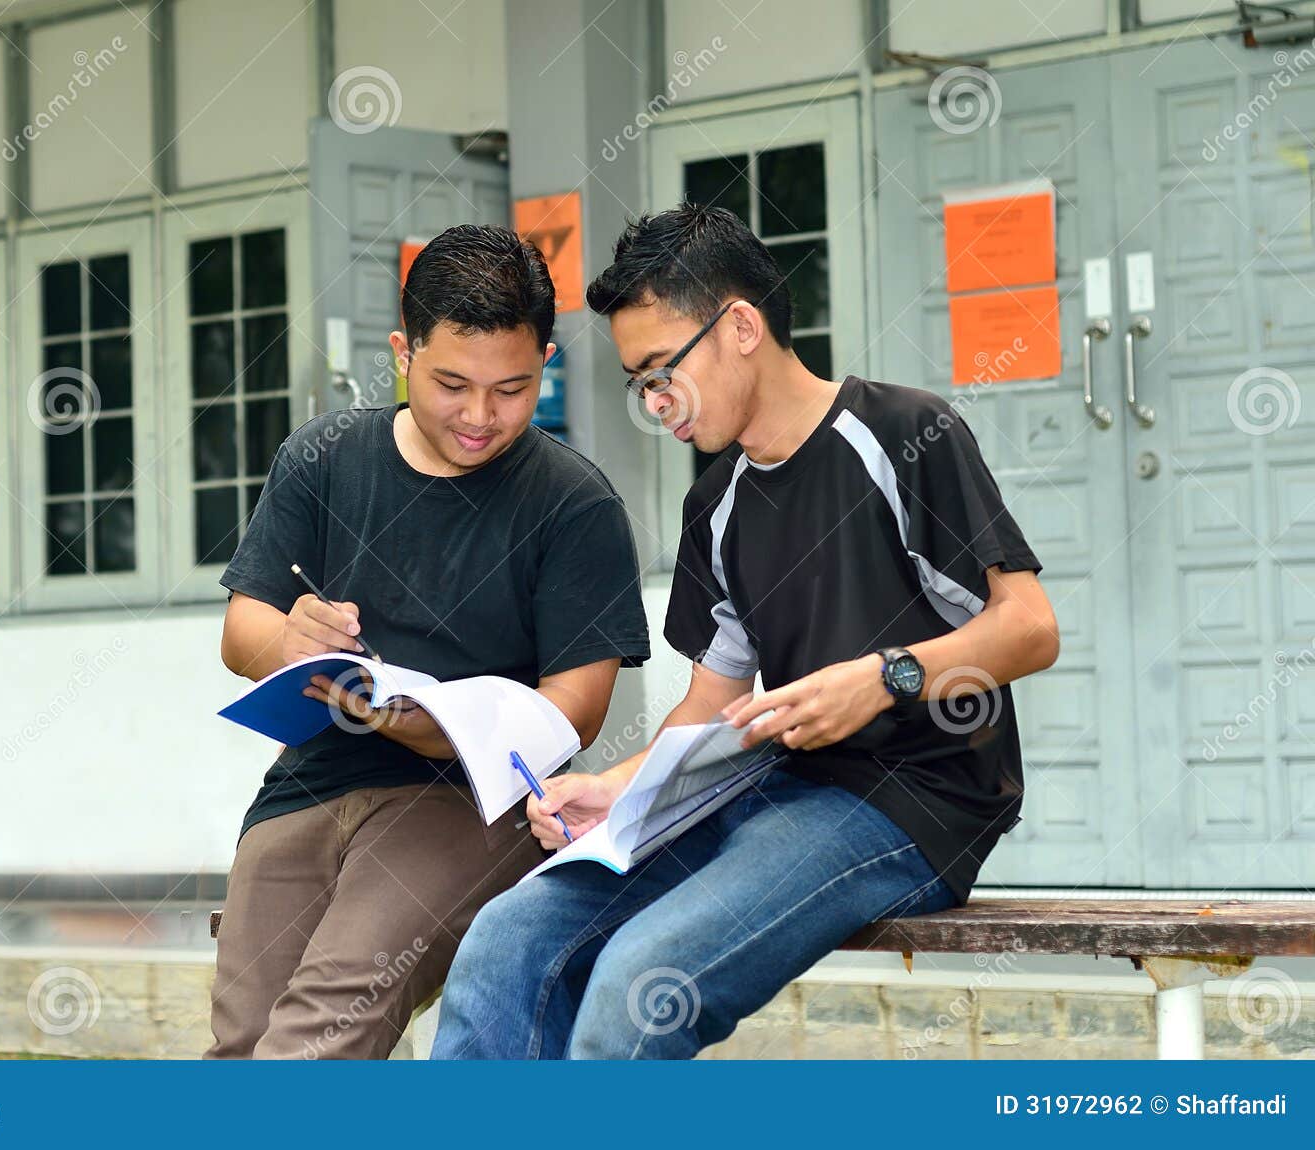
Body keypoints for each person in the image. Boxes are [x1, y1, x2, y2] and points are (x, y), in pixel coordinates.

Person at [431, 202, 1060, 1060]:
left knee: (633, 989)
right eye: (638, 382)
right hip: (765, 789)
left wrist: (884, 676)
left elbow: (1030, 627)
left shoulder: (903, 433)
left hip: (912, 802)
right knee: (504, 943)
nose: (655, 403)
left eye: (663, 370)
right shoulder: (716, 503)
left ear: (740, 326)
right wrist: (619, 787)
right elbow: (713, 700)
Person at [204, 224, 651, 1059]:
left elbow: (579, 709)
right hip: (311, 782)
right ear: (403, 353)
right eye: (452, 383)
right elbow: (243, 632)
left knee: (320, 1028)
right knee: (243, 1045)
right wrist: (293, 640)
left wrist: (431, 723)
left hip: (466, 802)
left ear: (545, 362)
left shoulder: (572, 504)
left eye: (512, 389)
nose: (481, 417)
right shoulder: (324, 458)